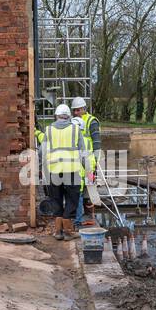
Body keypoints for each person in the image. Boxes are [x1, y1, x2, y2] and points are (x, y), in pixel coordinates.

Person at [38, 103, 88, 241]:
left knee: (56, 200)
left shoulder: (48, 130)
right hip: (72, 171)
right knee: (73, 200)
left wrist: (42, 169)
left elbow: (42, 152)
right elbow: (83, 153)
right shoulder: (75, 130)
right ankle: (67, 231)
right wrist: (87, 168)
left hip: (54, 171)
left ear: (56, 116)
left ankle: (58, 231)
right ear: (69, 116)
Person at [70, 96, 100, 225]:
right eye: (74, 110)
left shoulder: (91, 121)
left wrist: (97, 163)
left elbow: (97, 143)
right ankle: (79, 216)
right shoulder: (73, 121)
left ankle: (92, 216)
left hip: (89, 162)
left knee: (91, 190)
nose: (76, 112)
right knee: (79, 190)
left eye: (78, 110)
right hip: (76, 163)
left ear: (84, 109)